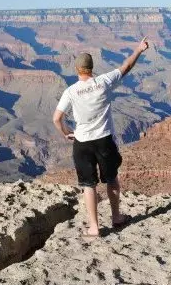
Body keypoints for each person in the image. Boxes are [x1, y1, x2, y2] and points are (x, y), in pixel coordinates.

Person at [53, 37, 149, 237]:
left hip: (82, 142)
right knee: (111, 179)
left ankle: (94, 227)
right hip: (104, 140)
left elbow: (56, 118)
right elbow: (127, 66)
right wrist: (139, 49)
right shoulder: (104, 81)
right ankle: (116, 217)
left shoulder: (70, 91)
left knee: (89, 184)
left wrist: (67, 133)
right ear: (91, 68)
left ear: (77, 69)